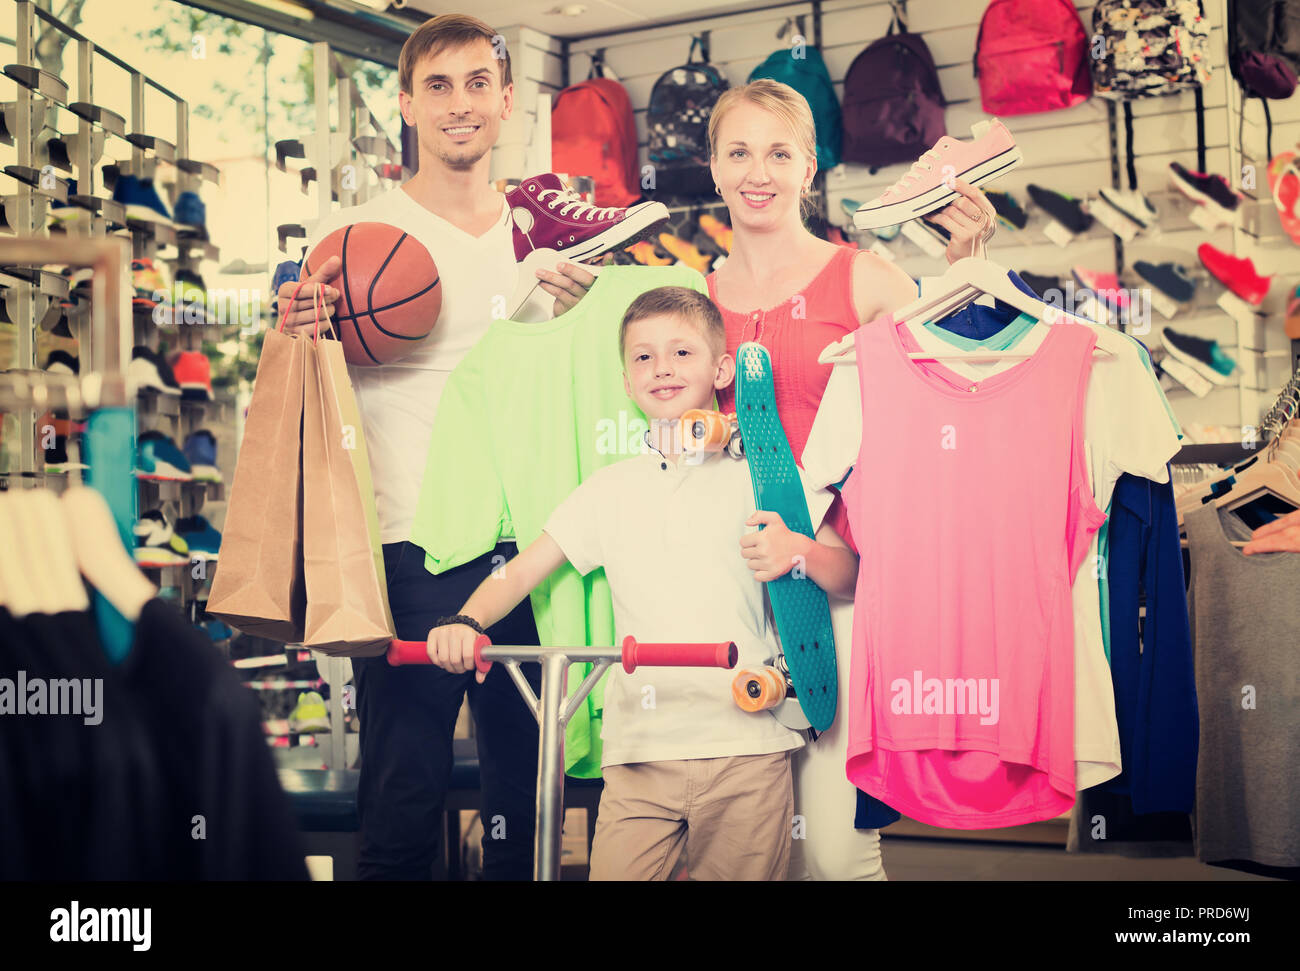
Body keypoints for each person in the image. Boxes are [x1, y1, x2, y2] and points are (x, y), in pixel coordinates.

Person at [273, 14, 597, 880]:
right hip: (409, 541)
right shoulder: (351, 242)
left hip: (531, 549)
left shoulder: (547, 237)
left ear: (506, 104)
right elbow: (304, 386)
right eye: (440, 87)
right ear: (408, 104)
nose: (461, 104)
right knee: (402, 798)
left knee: (529, 804)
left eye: (478, 84)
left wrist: (580, 319)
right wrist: (301, 331)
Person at [425, 286, 859, 880]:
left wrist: (798, 552)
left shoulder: (765, 474)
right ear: (626, 382)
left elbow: (850, 575)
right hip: (637, 757)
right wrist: (465, 621)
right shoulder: (610, 489)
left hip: (747, 750)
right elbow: (523, 570)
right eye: (644, 357)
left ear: (721, 368)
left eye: (682, 353)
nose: (662, 369)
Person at [705, 79, 999, 880]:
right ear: (713, 167)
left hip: (837, 587)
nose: (757, 171)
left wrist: (964, 269)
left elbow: (961, 384)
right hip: (727, 590)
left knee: (835, 849)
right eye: (738, 152)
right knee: (752, 848)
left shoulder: (863, 279)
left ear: (810, 168)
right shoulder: (692, 302)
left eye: (779, 152)